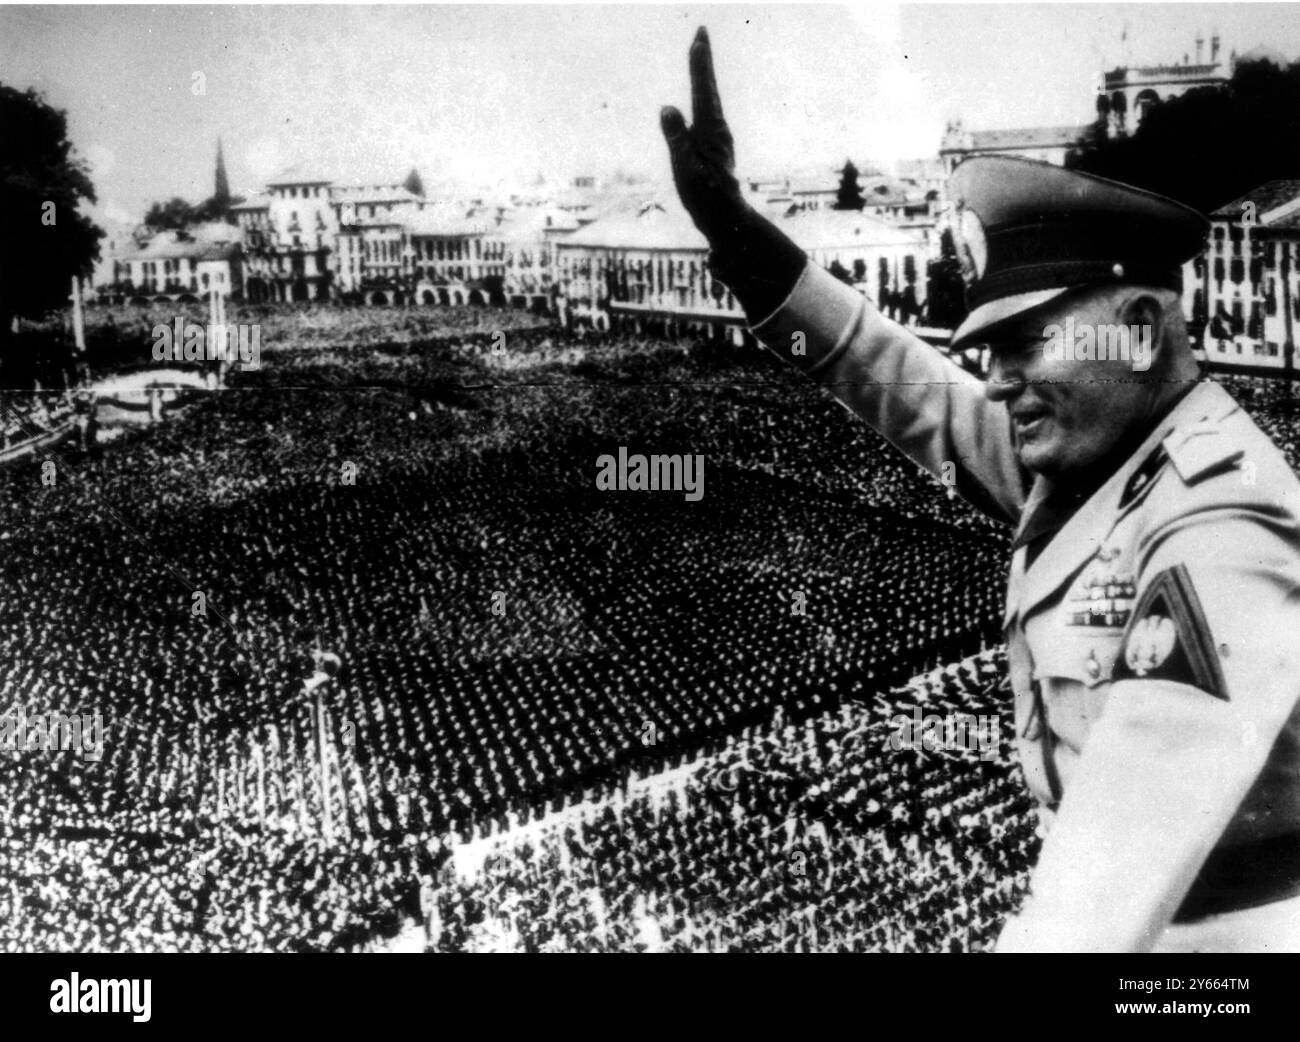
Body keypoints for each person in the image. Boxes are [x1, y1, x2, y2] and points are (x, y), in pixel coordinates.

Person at [660, 26, 1300, 952]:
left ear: (1142, 330)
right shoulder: (1112, 451)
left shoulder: (1221, 522)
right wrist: (741, 238)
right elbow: (900, 383)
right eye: (991, 353)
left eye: (1027, 343)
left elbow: (1096, 899)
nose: (997, 384)